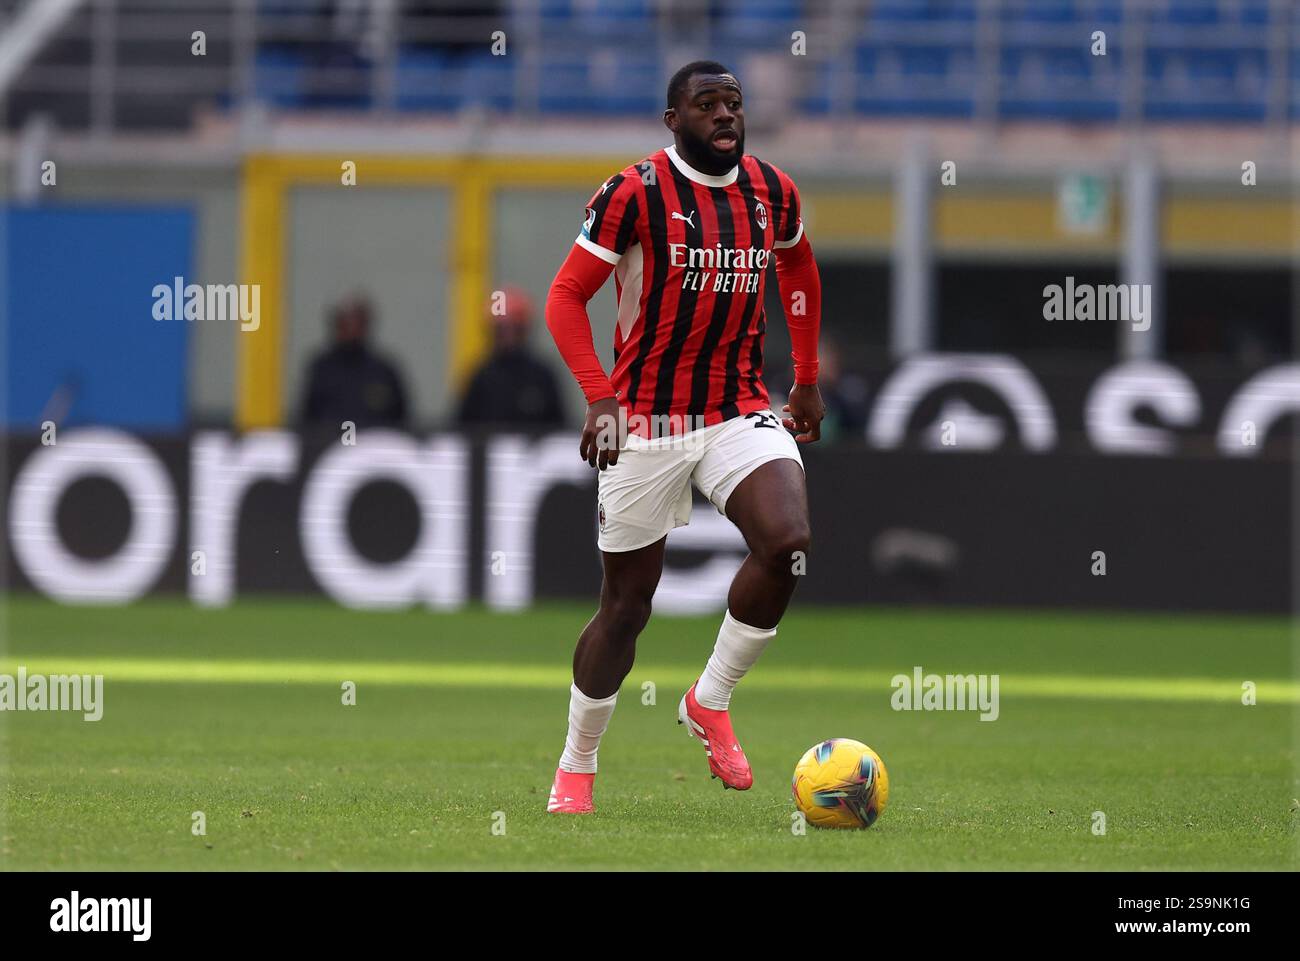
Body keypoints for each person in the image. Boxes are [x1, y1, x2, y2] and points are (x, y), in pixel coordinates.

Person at [543, 61, 824, 813]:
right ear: (674, 120)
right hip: (648, 419)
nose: (726, 115)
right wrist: (600, 399)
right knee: (627, 605)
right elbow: (566, 296)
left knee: (787, 541)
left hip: (736, 408)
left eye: (734, 103)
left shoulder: (773, 190)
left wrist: (804, 373)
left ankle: (710, 698)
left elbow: (797, 264)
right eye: (707, 105)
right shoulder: (634, 192)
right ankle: (577, 763)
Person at [455, 286, 565, 429]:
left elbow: (560, 428)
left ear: (524, 329)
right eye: (501, 329)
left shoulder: (543, 376)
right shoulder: (481, 377)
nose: (508, 336)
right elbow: (461, 427)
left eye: (514, 328)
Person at [299, 294, 409, 430]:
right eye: (346, 322)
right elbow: (307, 420)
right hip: (331, 446)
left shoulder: (384, 371)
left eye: (357, 322)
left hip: (374, 446)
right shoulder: (321, 369)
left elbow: (401, 421)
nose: (351, 329)